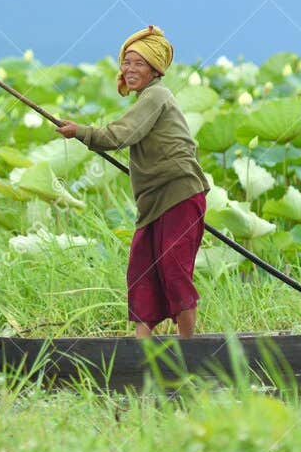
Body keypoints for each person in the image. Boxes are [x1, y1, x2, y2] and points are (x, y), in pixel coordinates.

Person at [55, 26, 210, 339]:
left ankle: (188, 349)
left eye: (139, 63)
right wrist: (83, 133)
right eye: (126, 62)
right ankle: (142, 348)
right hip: (152, 202)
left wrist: (81, 132)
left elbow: (120, 135)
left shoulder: (157, 95)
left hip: (179, 195)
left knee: (174, 271)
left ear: (155, 70)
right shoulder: (146, 98)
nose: (130, 69)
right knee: (143, 272)